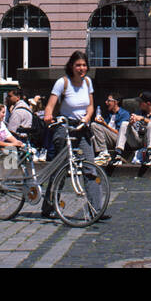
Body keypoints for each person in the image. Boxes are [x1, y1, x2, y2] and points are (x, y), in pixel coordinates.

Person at [42, 52, 97, 213]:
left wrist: (87, 117)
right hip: (65, 126)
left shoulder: (87, 82)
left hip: (82, 127)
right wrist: (47, 115)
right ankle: (49, 206)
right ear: (71, 66)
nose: (81, 68)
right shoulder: (63, 82)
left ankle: (96, 208)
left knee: (90, 168)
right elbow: (50, 104)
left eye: (84, 65)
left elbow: (91, 105)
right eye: (78, 65)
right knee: (60, 169)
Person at [113, 91, 151, 167]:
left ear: (148, 103)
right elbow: (134, 127)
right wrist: (131, 123)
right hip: (138, 139)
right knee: (125, 123)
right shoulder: (138, 112)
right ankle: (118, 153)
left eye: (141, 102)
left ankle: (149, 155)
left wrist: (142, 119)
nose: (138, 104)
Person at [91, 94, 130, 162]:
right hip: (108, 139)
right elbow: (101, 131)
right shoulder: (108, 113)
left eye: (109, 101)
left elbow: (119, 133)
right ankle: (98, 156)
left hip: (118, 139)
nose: (106, 102)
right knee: (93, 136)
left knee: (94, 125)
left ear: (115, 102)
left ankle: (104, 153)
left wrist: (105, 125)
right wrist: (100, 123)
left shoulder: (124, 114)